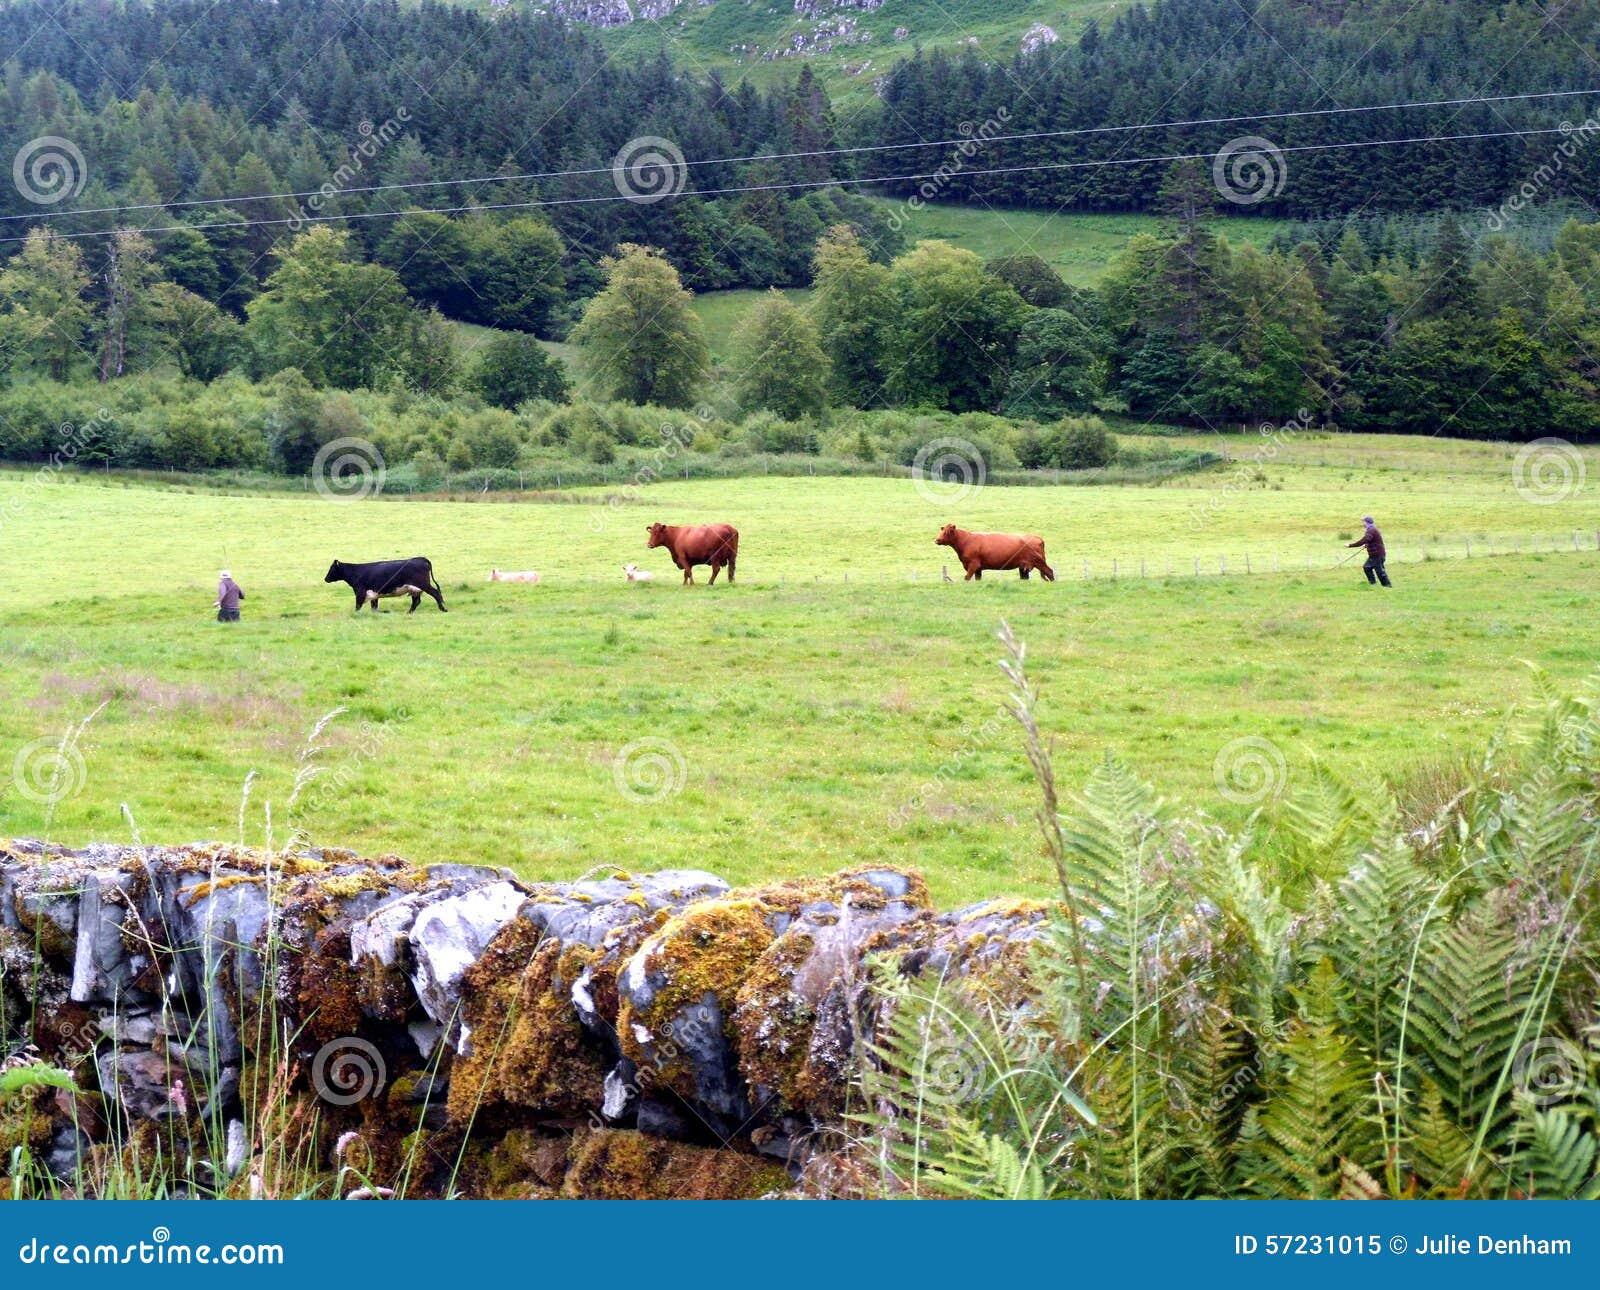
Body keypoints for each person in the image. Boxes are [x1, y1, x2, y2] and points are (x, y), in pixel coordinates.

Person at [1347, 516, 1390, 587]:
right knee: (1367, 567)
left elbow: (1364, 540)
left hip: (1377, 554)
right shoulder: (1371, 529)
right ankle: (1373, 584)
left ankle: (1387, 586)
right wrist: (1367, 544)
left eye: (1363, 521)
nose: (1363, 523)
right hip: (1373, 555)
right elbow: (1370, 540)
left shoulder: (1371, 530)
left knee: (1379, 571)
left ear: (1366, 522)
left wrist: (1350, 545)